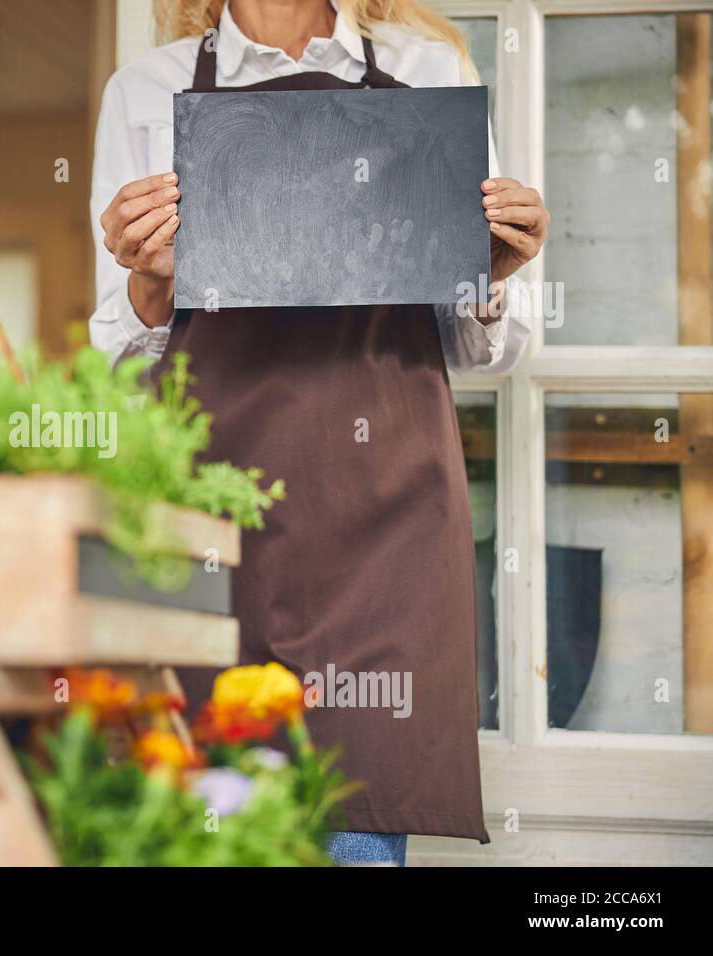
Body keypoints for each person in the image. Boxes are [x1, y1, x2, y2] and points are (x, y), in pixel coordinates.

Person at [89, 0, 548, 866]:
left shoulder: (428, 74)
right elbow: (118, 362)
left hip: (387, 541)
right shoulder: (144, 93)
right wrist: (148, 287)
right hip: (209, 537)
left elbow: (493, 347)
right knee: (212, 832)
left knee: (356, 841)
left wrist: (489, 271)